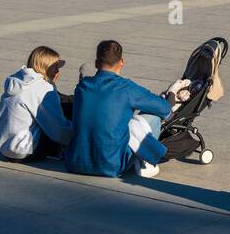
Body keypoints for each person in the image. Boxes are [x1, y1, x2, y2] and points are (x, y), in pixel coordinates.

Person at [63, 39, 187, 179]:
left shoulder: (82, 87)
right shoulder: (126, 88)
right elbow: (164, 109)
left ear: (97, 63)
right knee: (152, 116)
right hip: (111, 165)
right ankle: (145, 160)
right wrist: (171, 95)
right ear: (122, 62)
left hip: (74, 162)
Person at [0, 46, 74, 162]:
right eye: (56, 67)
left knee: (52, 108)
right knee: (63, 112)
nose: (58, 72)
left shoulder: (16, 81)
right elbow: (58, 129)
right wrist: (77, 138)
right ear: (45, 67)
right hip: (25, 151)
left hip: (4, 147)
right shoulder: (42, 87)